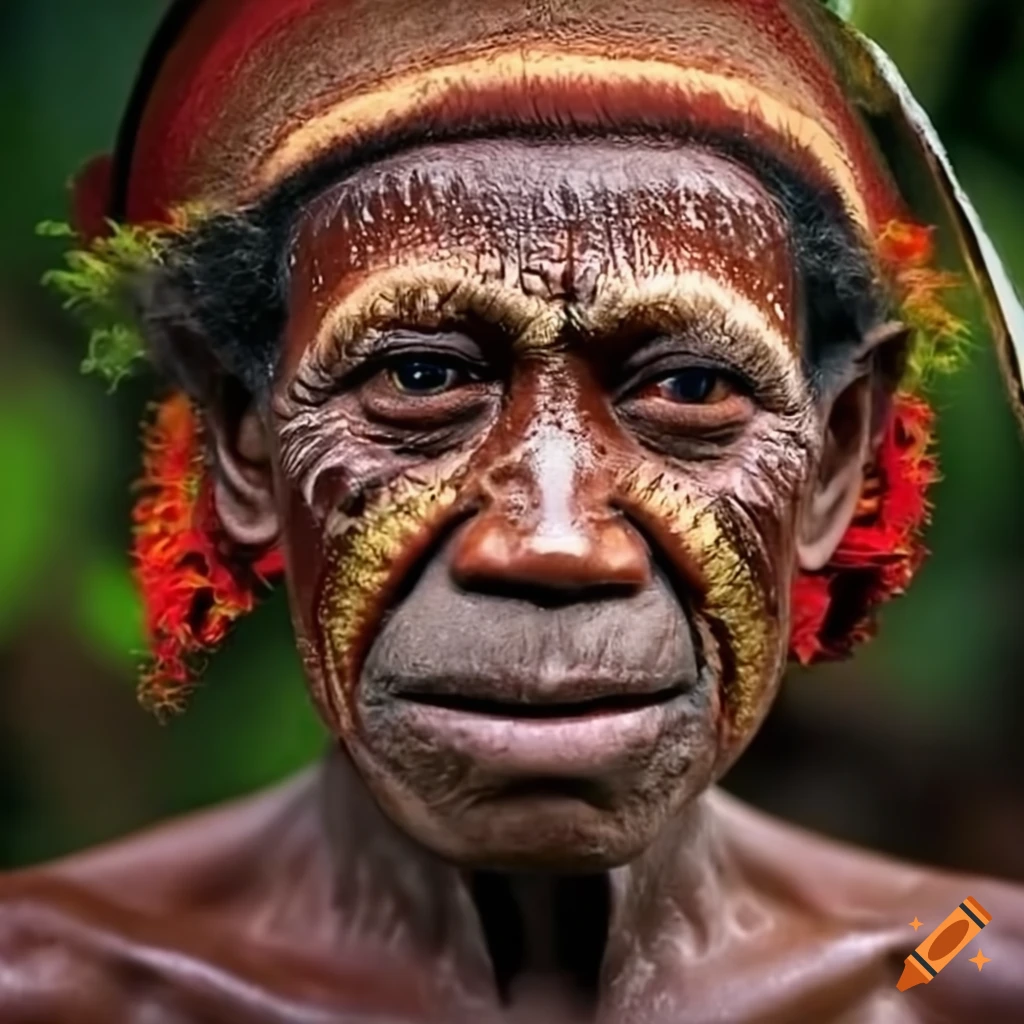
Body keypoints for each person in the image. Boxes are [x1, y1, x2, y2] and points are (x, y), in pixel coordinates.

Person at [3, 0, 1024, 1020]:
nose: (554, 539)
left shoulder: (956, 968)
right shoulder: (51, 986)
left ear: (835, 456)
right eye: (418, 374)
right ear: (243, 440)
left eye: (689, 390)